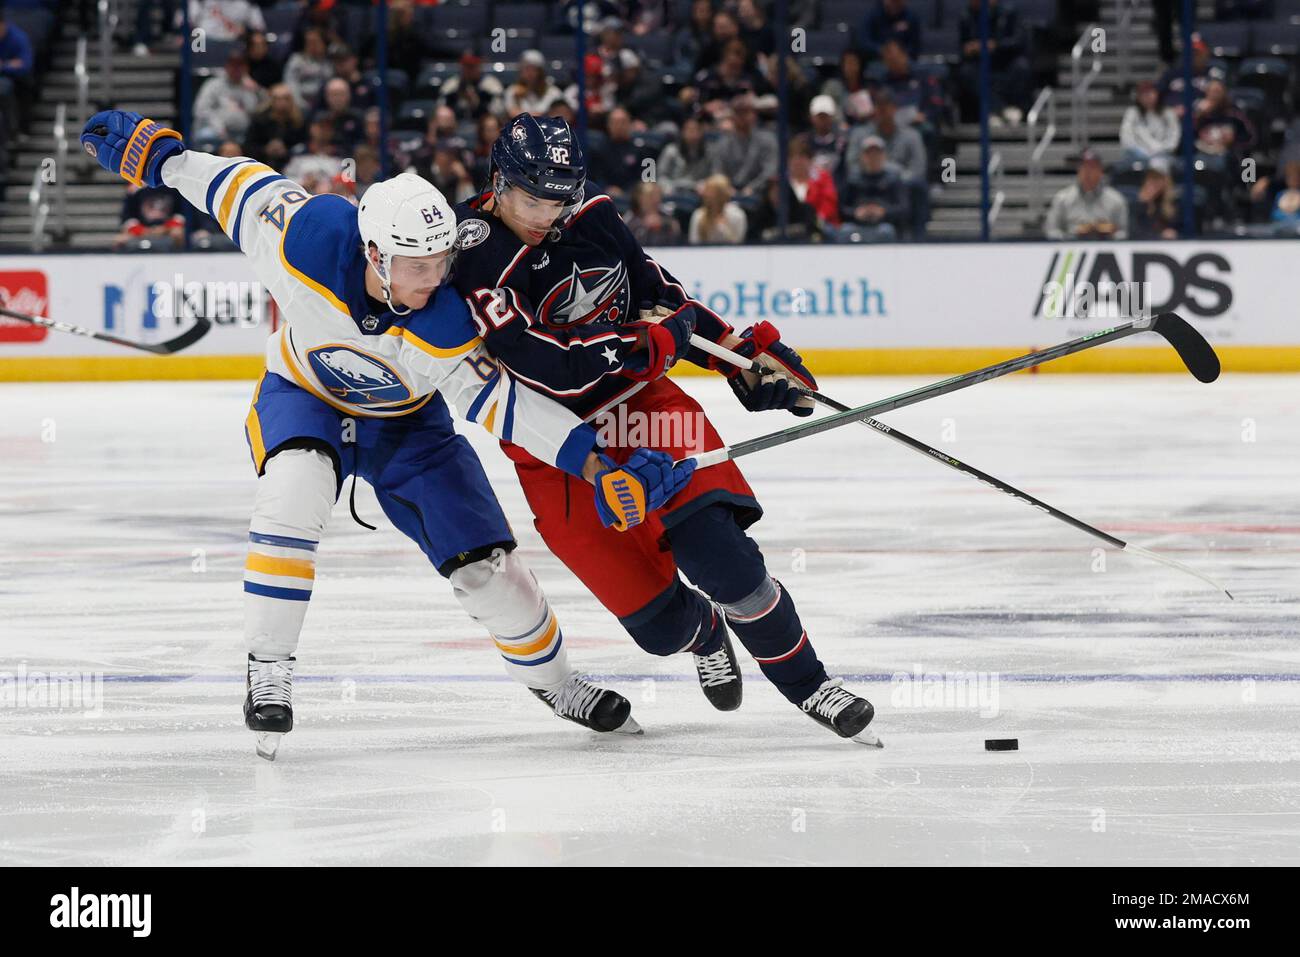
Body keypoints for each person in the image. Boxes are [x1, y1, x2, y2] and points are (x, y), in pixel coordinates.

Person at [80, 109, 694, 757]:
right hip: (305, 396)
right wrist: (167, 161)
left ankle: (558, 683)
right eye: (416, 266)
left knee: (490, 571)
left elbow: (502, 402)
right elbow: (236, 185)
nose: (434, 279)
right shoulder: (305, 235)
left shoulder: (447, 316)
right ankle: (269, 669)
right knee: (293, 492)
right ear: (374, 252)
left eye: (440, 261)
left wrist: (596, 466)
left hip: (409, 427)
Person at [450, 114, 880, 745]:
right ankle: (704, 633)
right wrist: (650, 341)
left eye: (558, 197)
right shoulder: (472, 252)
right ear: (497, 182)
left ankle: (813, 685)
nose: (546, 213)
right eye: (531, 198)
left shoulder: (593, 216)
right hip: (552, 449)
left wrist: (738, 355)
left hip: (643, 405)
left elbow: (664, 299)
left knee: (722, 558)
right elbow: (548, 365)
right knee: (659, 629)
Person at [1043, 149, 1129, 240]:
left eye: (1092, 168)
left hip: (1106, 249)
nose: (1088, 173)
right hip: (1071, 251)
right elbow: (1051, 231)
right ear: (1078, 170)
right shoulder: (1062, 198)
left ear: (1100, 171)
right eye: (1084, 167)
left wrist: (1109, 233)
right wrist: (1072, 236)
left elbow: (1124, 232)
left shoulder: (1116, 200)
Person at [837, 137, 907, 242]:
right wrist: (855, 213)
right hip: (856, 225)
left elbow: (903, 208)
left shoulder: (893, 180)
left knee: (887, 231)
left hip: (884, 225)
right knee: (845, 231)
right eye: (869, 154)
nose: (873, 157)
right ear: (862, 156)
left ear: (884, 156)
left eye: (876, 154)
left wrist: (884, 212)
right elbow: (841, 208)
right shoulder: (852, 180)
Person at [1119, 80, 1180, 165]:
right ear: (1138, 97)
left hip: (1164, 154)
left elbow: (1174, 138)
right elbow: (1126, 138)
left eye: (1150, 92)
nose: (1147, 96)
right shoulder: (1131, 113)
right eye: (1143, 94)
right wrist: (1142, 153)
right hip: (1137, 156)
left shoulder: (1168, 113)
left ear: (1157, 93)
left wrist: (1160, 151)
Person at [689, 174, 747, 243]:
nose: (708, 196)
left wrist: (722, 228)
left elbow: (739, 243)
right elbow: (693, 243)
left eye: (713, 193)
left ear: (723, 195)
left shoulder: (737, 215)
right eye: (708, 192)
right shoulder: (698, 215)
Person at [1130, 158, 1179, 240]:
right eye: (1151, 178)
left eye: (1158, 178)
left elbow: (1178, 230)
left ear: (1166, 181)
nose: (1154, 183)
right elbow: (1135, 231)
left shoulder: (1173, 203)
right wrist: (1145, 203)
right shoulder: (1136, 203)